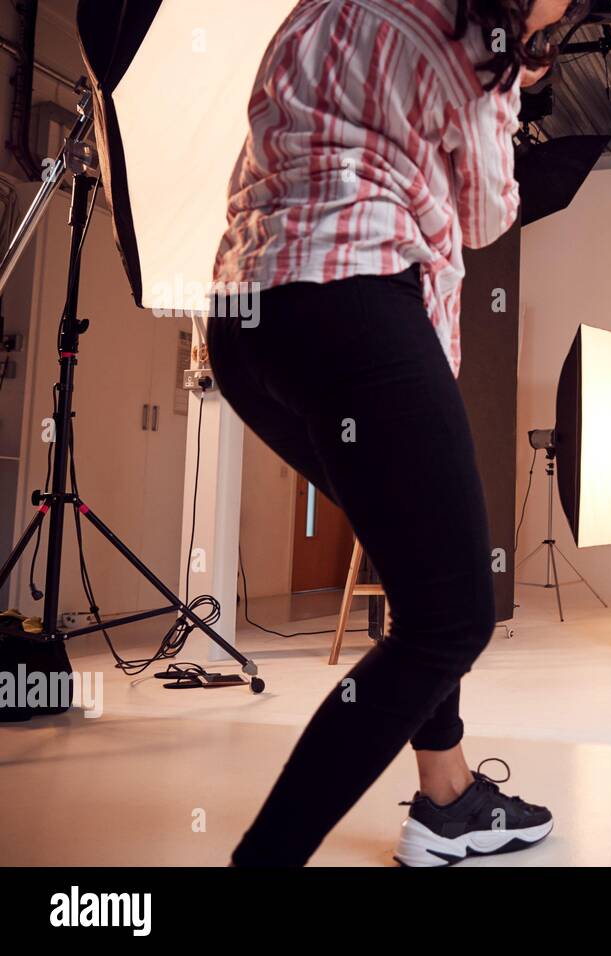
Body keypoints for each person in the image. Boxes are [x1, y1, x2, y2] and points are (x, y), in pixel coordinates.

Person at [207, 0, 578, 867]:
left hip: (246, 322)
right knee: (452, 618)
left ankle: (446, 797)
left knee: (418, 581)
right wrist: (512, 86)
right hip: (353, 302)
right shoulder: (473, 49)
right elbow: (489, 216)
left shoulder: (323, 6)